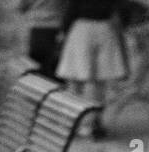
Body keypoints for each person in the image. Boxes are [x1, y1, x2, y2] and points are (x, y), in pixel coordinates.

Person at [56, 0, 131, 139]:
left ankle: (74, 121)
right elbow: (123, 8)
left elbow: (72, 7)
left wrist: (64, 30)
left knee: (76, 79)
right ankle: (93, 122)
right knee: (98, 82)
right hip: (104, 28)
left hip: (82, 29)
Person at [18, 0, 68, 78]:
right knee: (49, 62)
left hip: (36, 25)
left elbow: (22, 7)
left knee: (35, 60)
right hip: (56, 25)